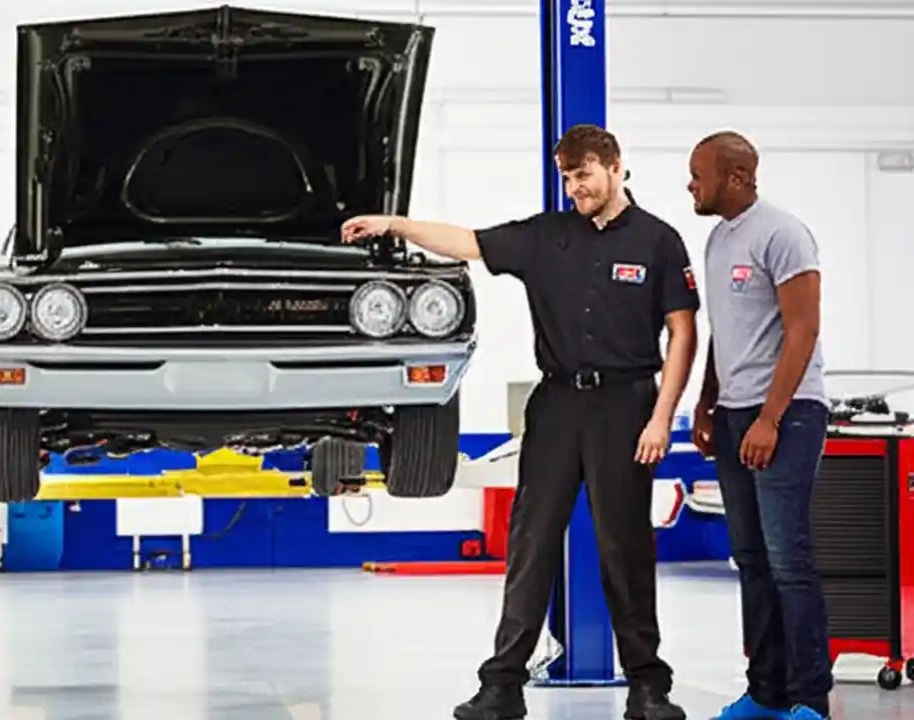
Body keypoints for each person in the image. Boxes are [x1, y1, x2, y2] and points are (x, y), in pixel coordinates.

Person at [341, 124, 698, 720]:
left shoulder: (659, 242)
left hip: (627, 405)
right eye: (566, 178)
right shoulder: (546, 236)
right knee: (531, 541)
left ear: (614, 167)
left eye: (582, 175)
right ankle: (502, 684)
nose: (574, 189)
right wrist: (394, 224)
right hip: (557, 405)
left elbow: (683, 333)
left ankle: (647, 686)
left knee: (625, 547)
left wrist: (662, 417)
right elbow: (469, 242)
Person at [687, 131, 833, 720]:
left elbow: (803, 330)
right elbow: (726, 331)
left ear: (738, 176)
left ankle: (809, 699)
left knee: (787, 559)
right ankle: (766, 692)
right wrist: (706, 403)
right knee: (749, 558)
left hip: (789, 414)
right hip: (734, 414)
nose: (690, 184)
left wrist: (771, 418)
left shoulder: (783, 233)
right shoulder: (718, 241)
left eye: (699, 173)